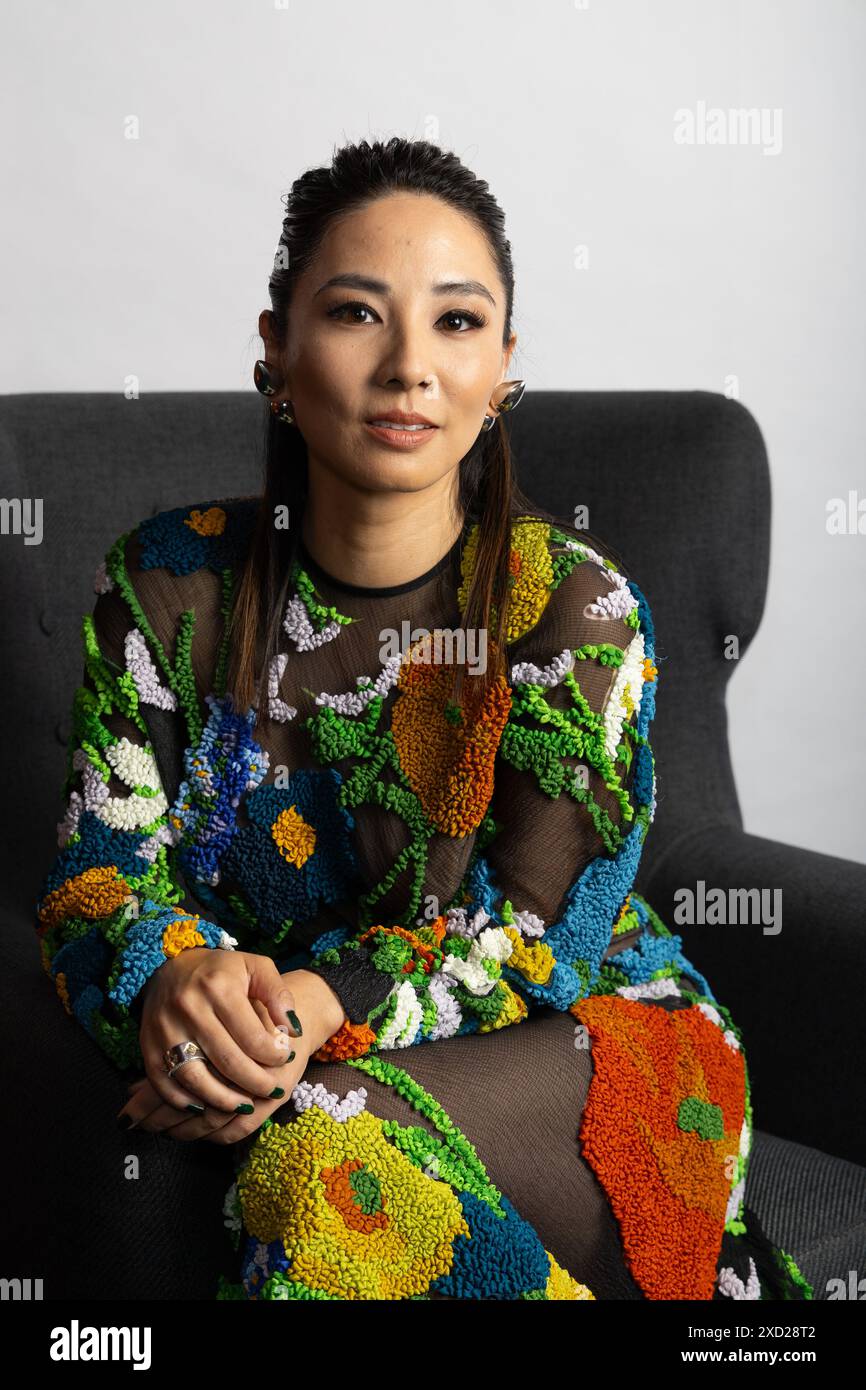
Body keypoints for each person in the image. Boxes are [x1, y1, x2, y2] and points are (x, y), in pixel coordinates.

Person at [35, 136, 813, 1301]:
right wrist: (173, 987)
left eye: (456, 322)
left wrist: (303, 1014)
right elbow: (97, 879)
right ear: (276, 353)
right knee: (322, 1134)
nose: (408, 366)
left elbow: (531, 940)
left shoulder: (574, 606)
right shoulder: (163, 582)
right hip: (299, 1058)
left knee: (320, 1148)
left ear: (503, 366)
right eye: (355, 312)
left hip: (576, 1045)